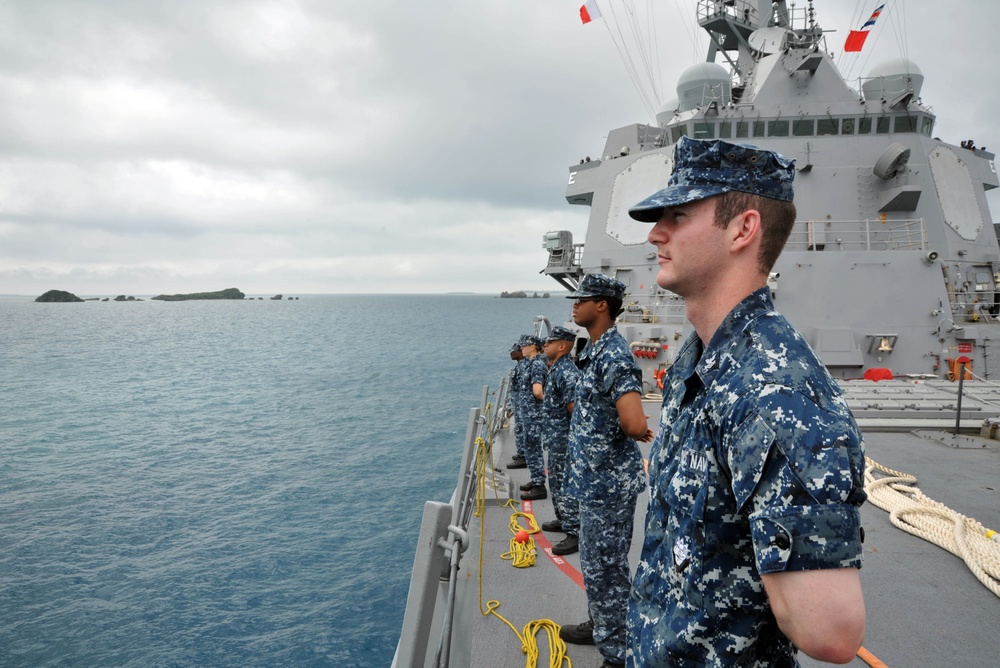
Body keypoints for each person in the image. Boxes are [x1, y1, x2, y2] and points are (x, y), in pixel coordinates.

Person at [625, 136, 867, 666]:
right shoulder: (702, 358)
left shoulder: (774, 389)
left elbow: (830, 632)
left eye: (679, 215)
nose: (656, 233)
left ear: (743, 228)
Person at [558, 274, 654, 668]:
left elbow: (632, 422)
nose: (574, 305)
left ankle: (618, 653)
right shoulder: (595, 349)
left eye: (581, 299)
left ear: (602, 305)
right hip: (593, 479)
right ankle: (602, 625)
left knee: (607, 568)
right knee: (597, 566)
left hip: (607, 484)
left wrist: (635, 427)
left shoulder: (613, 354)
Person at [539, 325, 581, 555]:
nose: (545, 345)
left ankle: (574, 532)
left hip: (565, 440)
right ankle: (564, 519)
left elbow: (575, 409)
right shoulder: (557, 369)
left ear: (562, 346)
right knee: (555, 482)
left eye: (550, 342)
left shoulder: (567, 372)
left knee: (565, 484)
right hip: (556, 439)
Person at [518, 335, 549, 500]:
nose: (521, 347)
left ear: (533, 347)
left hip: (534, 415)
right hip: (529, 414)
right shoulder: (532, 363)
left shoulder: (536, 364)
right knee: (530, 447)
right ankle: (535, 478)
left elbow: (538, 392)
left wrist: (550, 404)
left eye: (524, 345)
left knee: (533, 447)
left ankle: (539, 485)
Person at [505, 338, 528, 470]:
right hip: (519, 404)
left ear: (520, 352)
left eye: (513, 351)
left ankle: (523, 455)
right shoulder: (521, 365)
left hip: (523, 404)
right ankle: (521, 453)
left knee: (521, 429)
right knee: (519, 429)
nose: (511, 354)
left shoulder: (524, 366)